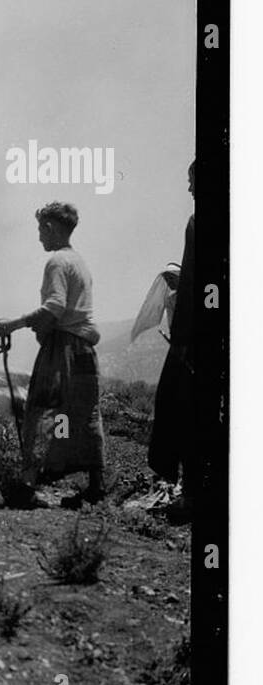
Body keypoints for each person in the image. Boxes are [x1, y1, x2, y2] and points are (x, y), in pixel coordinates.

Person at [0, 202, 106, 508]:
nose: (39, 236)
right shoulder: (79, 262)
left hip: (62, 349)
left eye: (41, 229)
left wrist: (12, 325)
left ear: (51, 228)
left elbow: (55, 306)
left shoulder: (56, 262)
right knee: (84, 412)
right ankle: (96, 486)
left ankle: (27, 485)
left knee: (42, 409)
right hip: (84, 349)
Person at [148, 160, 197, 521]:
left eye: (193, 181)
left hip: (196, 342)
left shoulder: (198, 223)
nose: (190, 190)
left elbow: (194, 287)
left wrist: (181, 340)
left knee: (179, 411)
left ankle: (191, 496)